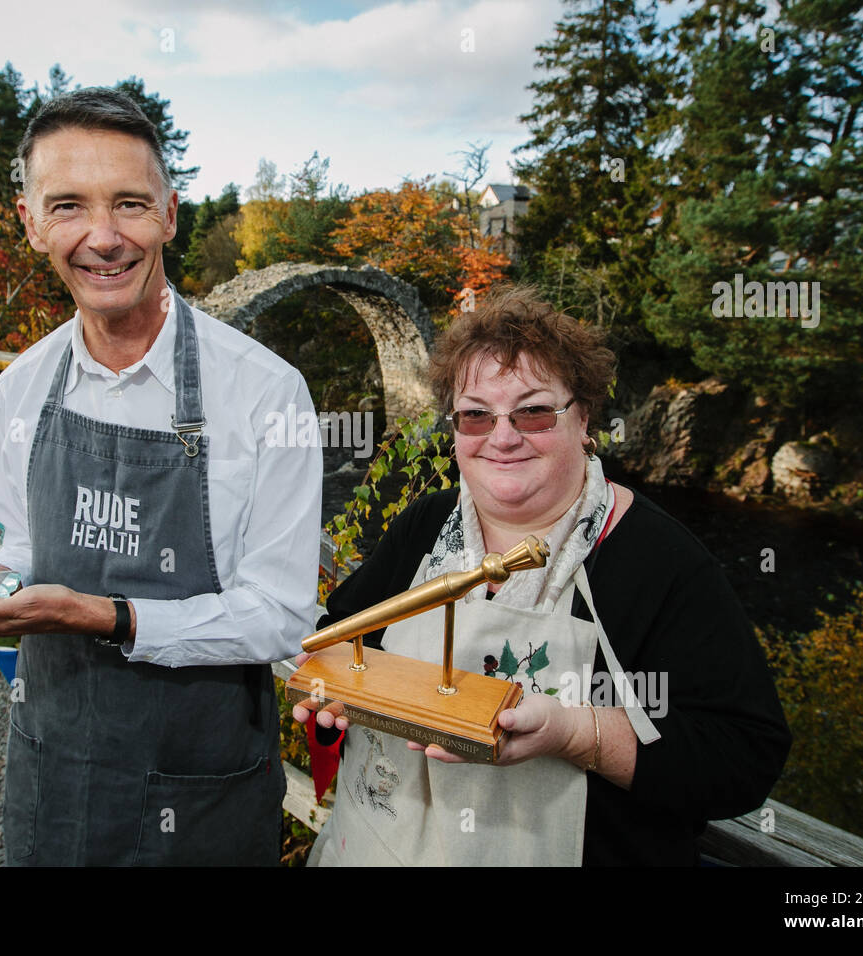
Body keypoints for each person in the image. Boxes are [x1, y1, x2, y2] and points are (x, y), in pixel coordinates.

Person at [0, 88, 322, 865]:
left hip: (202, 787)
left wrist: (107, 616)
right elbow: (20, 560)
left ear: (171, 215)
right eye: (69, 206)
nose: (104, 238)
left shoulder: (264, 392)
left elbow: (282, 618)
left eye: (130, 204)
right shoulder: (22, 386)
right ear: (30, 222)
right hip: (55, 772)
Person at [294, 285, 790, 866]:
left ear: (584, 419)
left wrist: (576, 735)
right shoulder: (425, 527)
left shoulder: (658, 560)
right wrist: (334, 702)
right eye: (475, 415)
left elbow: (742, 760)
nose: (502, 437)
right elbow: (341, 638)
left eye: (533, 411)